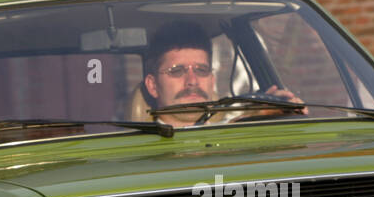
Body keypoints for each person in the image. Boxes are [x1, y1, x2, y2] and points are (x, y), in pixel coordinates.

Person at [129, 20, 306, 125]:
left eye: (201, 70)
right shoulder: (134, 151)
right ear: (152, 86)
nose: (193, 81)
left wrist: (293, 116)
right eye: (177, 71)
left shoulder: (239, 130)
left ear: (212, 80)